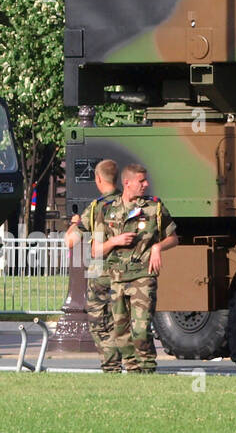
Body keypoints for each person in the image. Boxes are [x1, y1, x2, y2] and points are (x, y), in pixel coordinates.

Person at [99, 163, 178, 374]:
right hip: (117, 278)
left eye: (146, 180)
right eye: (141, 181)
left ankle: (147, 368)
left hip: (142, 276)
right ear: (127, 183)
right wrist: (115, 241)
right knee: (120, 331)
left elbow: (174, 237)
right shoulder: (107, 209)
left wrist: (157, 247)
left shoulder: (154, 208)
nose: (146, 184)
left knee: (141, 330)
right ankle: (133, 372)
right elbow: (96, 250)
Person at [64, 159, 121, 371]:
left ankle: (111, 366)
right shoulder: (132, 203)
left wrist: (74, 222)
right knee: (124, 320)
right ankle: (135, 365)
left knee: (101, 324)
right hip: (127, 272)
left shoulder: (97, 207)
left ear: (98, 179)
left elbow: (70, 240)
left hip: (101, 273)